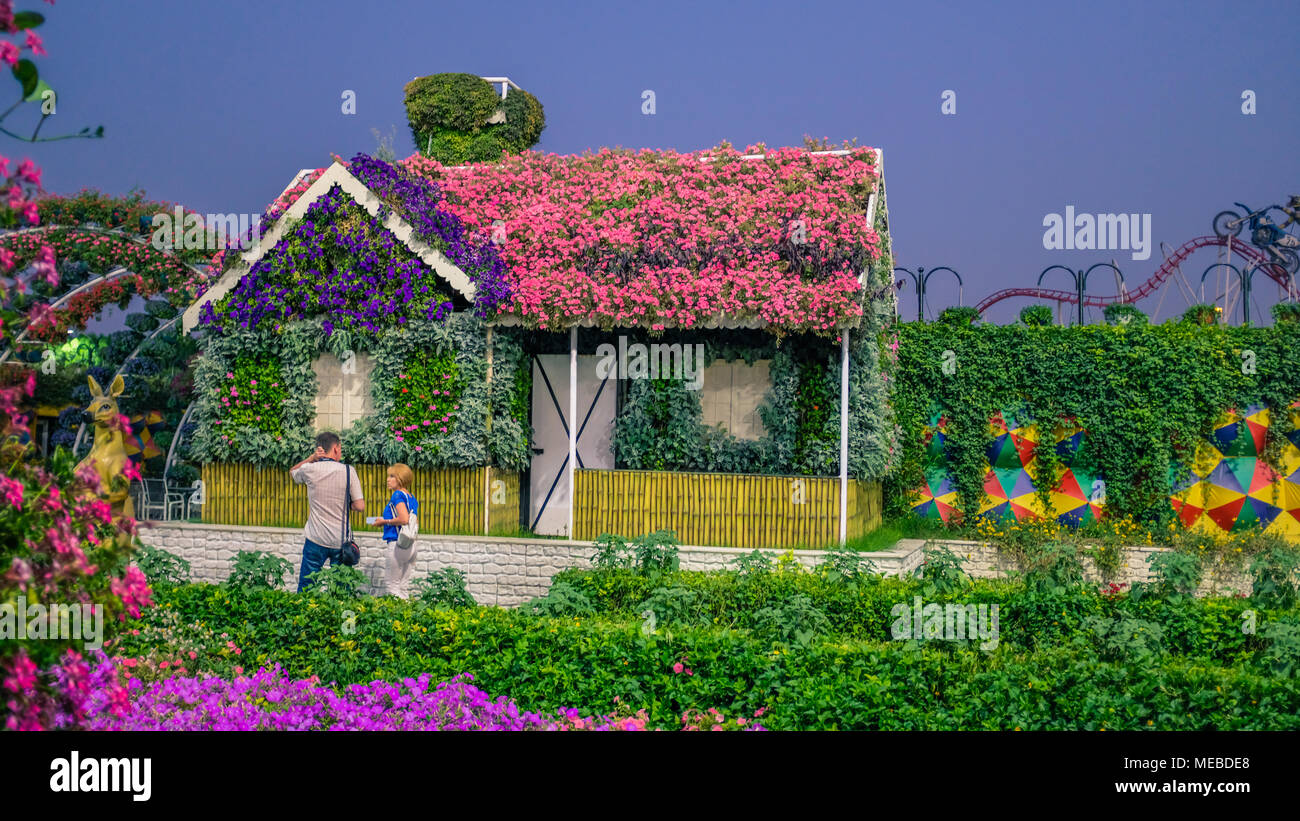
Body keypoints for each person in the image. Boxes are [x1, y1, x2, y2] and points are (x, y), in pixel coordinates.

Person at [289, 432, 364, 592]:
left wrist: (311, 458)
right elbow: (360, 506)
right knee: (341, 590)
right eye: (340, 448)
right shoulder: (349, 471)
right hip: (340, 540)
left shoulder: (310, 469)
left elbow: (292, 472)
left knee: (307, 588)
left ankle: (304, 615)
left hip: (315, 538)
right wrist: (346, 504)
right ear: (336, 448)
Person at [369, 463, 419, 598]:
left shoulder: (397, 495)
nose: (388, 479)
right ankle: (408, 615)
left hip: (398, 544)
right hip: (411, 545)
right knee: (402, 587)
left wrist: (384, 522)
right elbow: (414, 522)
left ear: (400, 478)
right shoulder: (412, 498)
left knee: (392, 585)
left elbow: (403, 519)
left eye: (392, 476)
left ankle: (398, 617)